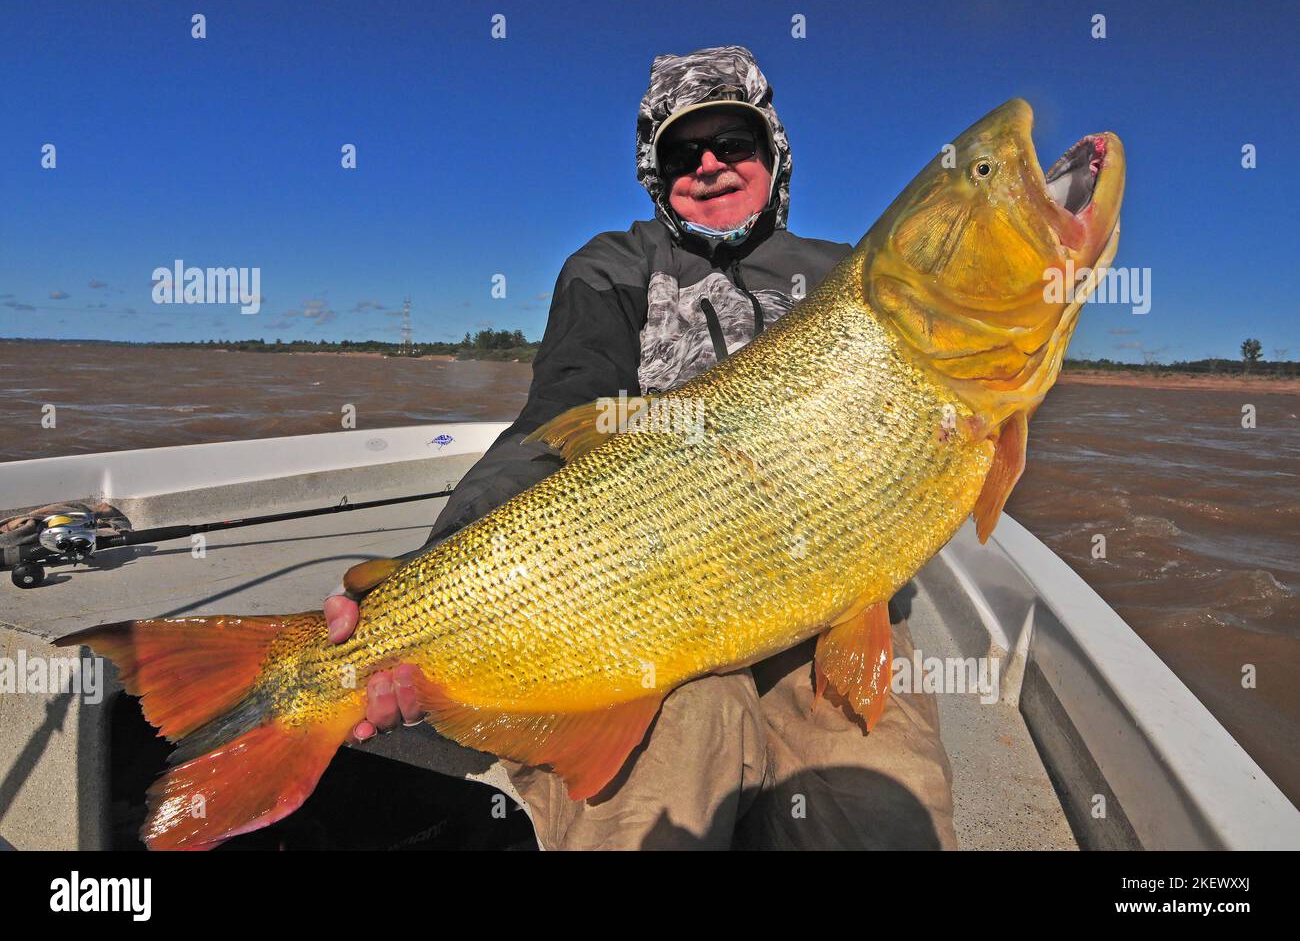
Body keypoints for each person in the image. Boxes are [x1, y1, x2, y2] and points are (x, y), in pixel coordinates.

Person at [324, 46, 957, 849]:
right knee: (665, 768)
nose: (711, 164)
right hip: (642, 594)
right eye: (683, 150)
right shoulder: (609, 268)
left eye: (737, 141)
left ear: (775, 155)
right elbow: (556, 422)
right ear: (654, 172)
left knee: (877, 803)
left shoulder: (848, 279)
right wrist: (434, 574)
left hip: (835, 589)